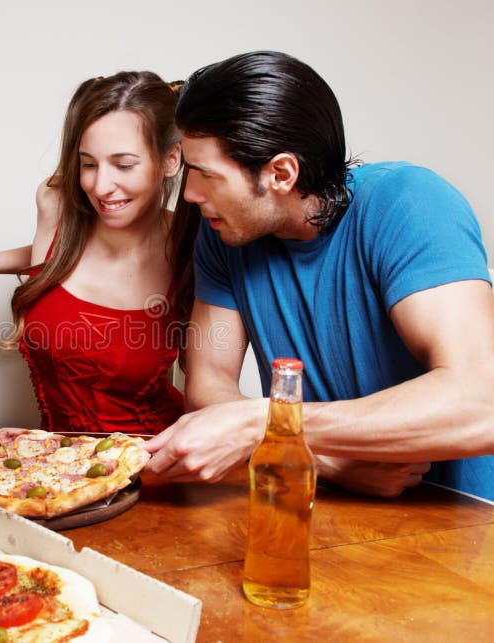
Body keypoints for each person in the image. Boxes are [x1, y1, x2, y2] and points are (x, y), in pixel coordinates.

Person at [143, 51, 494, 500]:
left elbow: (479, 400)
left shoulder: (410, 204)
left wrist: (265, 424)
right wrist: (318, 455)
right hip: (328, 508)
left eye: (206, 175)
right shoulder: (223, 232)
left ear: (281, 173)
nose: (189, 193)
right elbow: (208, 388)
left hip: (460, 521)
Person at [0, 71, 197, 435]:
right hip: (59, 470)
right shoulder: (56, 203)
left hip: (153, 463)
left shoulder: (192, 245)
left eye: (123, 164)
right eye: (88, 164)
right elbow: (61, 258)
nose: (100, 186)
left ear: (170, 160)